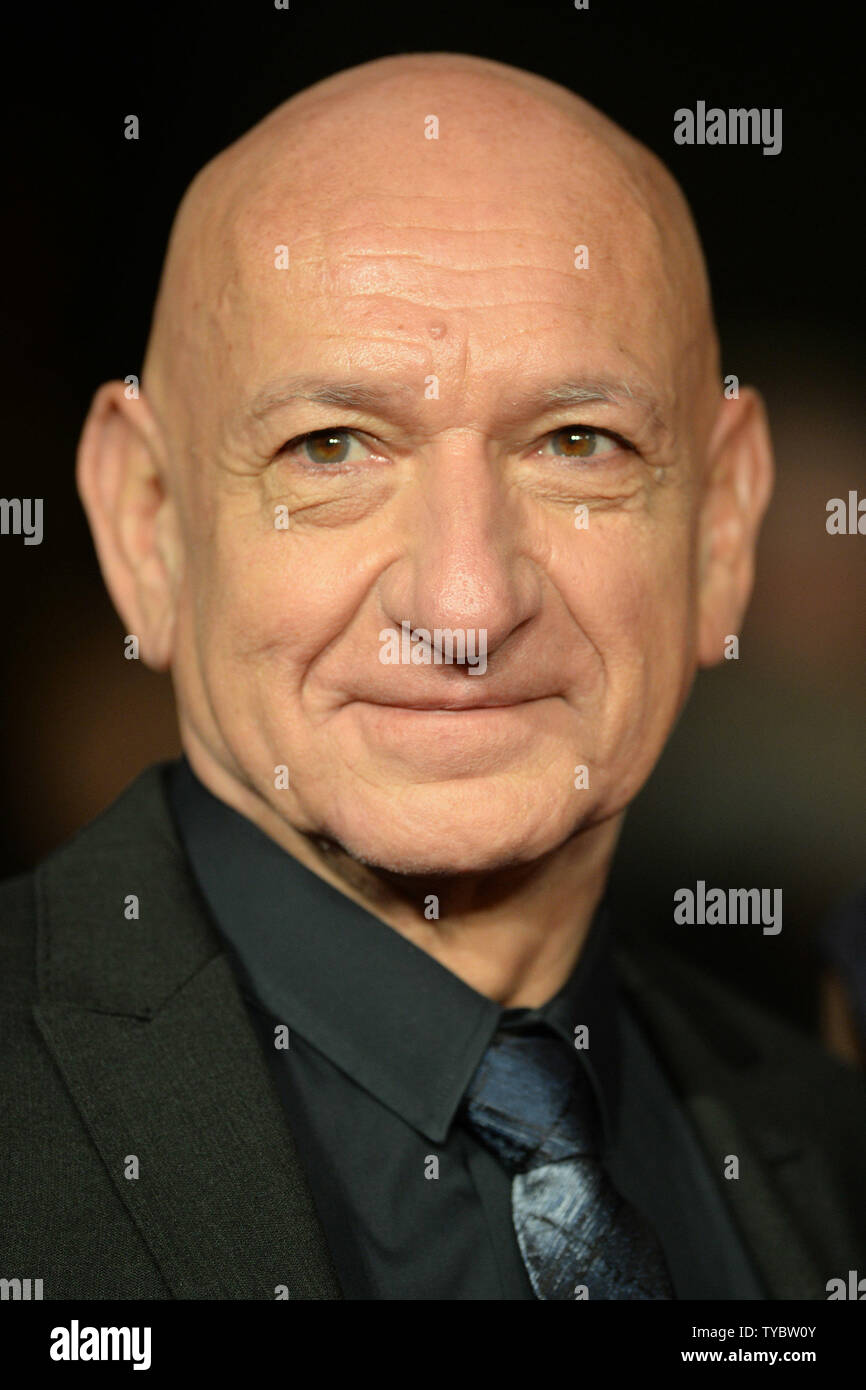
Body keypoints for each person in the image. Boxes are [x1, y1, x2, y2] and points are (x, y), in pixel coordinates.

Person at [2, 51, 864, 1301]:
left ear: (721, 528)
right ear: (149, 525)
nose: (464, 604)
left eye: (578, 443)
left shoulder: (826, 1148)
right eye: (331, 448)